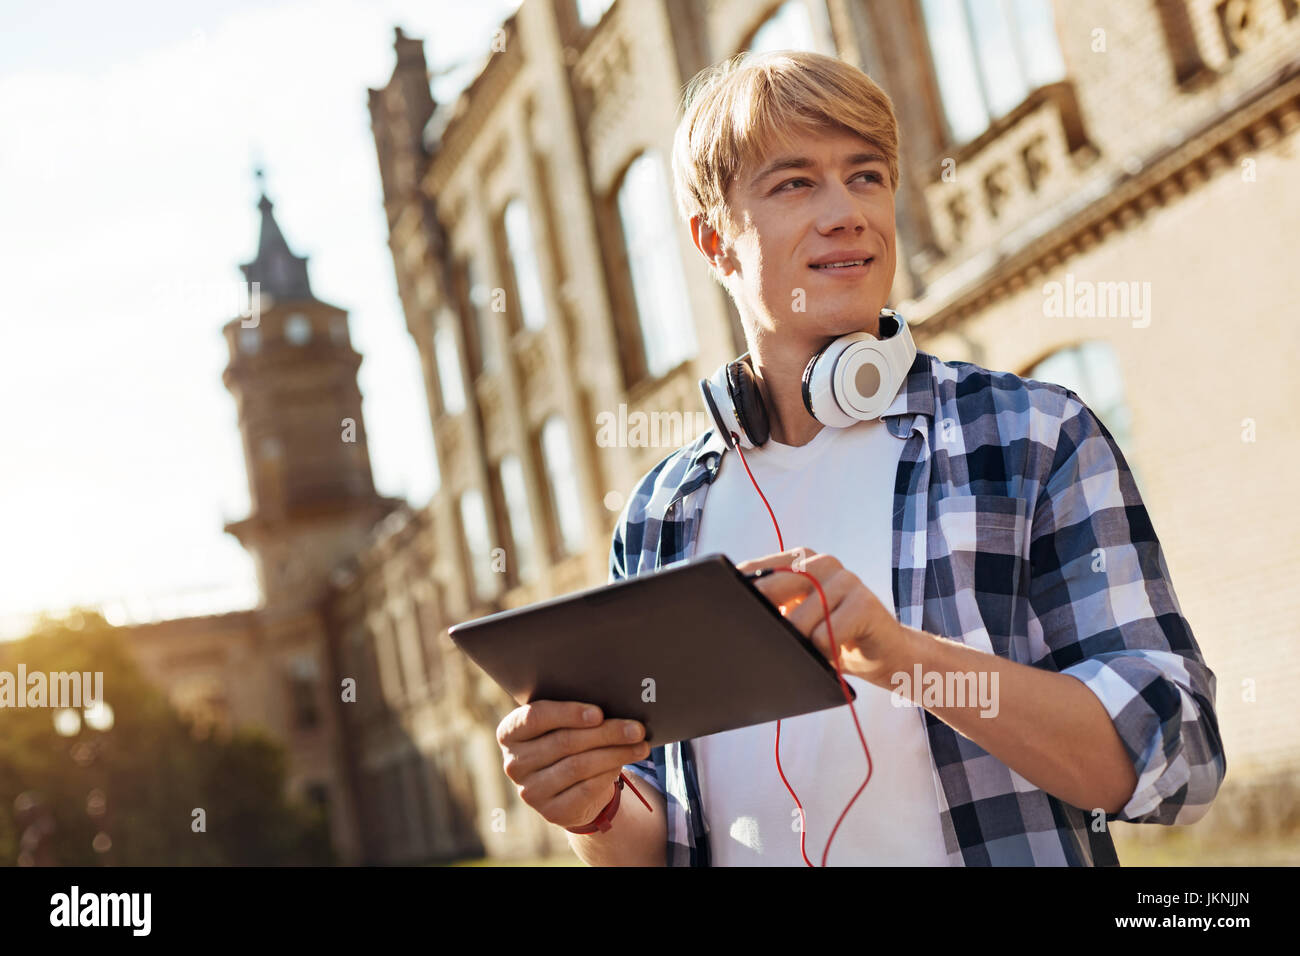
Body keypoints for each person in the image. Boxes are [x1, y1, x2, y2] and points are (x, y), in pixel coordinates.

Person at [495, 49, 1225, 866]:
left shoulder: (1030, 435)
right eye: (796, 182)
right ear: (714, 242)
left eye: (867, 175)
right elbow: (669, 842)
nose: (847, 212)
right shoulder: (661, 513)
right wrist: (589, 807)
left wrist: (899, 657)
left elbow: (1179, 754)